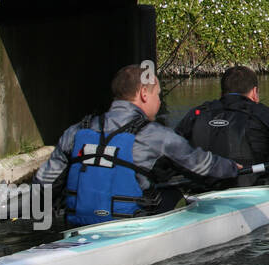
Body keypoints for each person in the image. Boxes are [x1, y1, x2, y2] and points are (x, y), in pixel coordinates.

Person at [35, 65, 240, 227]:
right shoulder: (155, 135)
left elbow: (43, 182)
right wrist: (231, 167)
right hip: (129, 225)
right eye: (158, 95)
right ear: (144, 93)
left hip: (77, 224)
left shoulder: (76, 130)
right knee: (177, 194)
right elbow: (202, 165)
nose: (159, 102)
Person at [175, 66, 269, 185]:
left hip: (201, 190)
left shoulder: (197, 113)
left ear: (222, 93)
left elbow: (169, 155)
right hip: (252, 189)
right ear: (255, 92)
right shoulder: (263, 113)